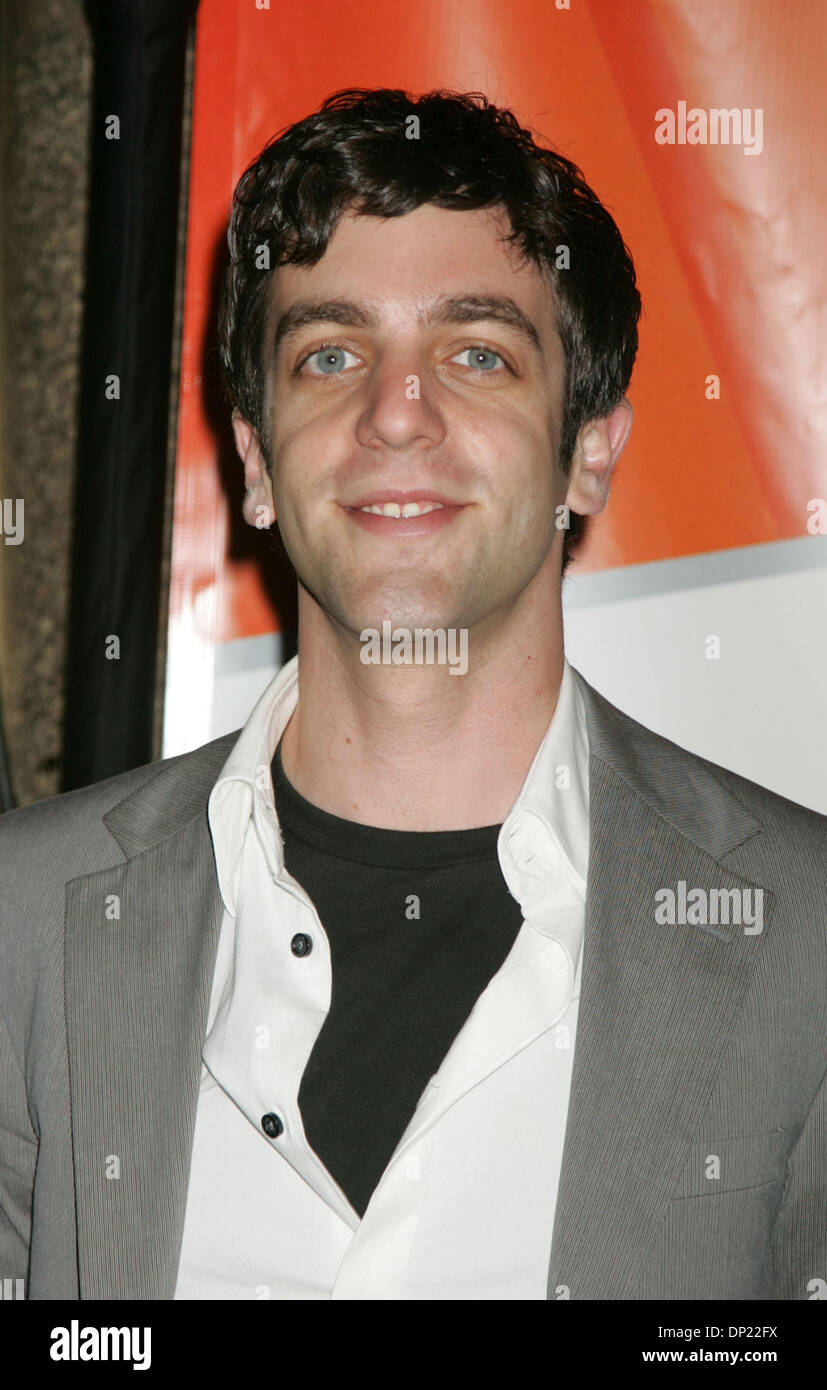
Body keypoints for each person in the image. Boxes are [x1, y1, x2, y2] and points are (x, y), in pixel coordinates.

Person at [1, 87, 824, 1301]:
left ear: (587, 449)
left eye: (475, 351)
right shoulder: (26, 921)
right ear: (255, 461)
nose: (396, 411)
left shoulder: (802, 940)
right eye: (331, 353)